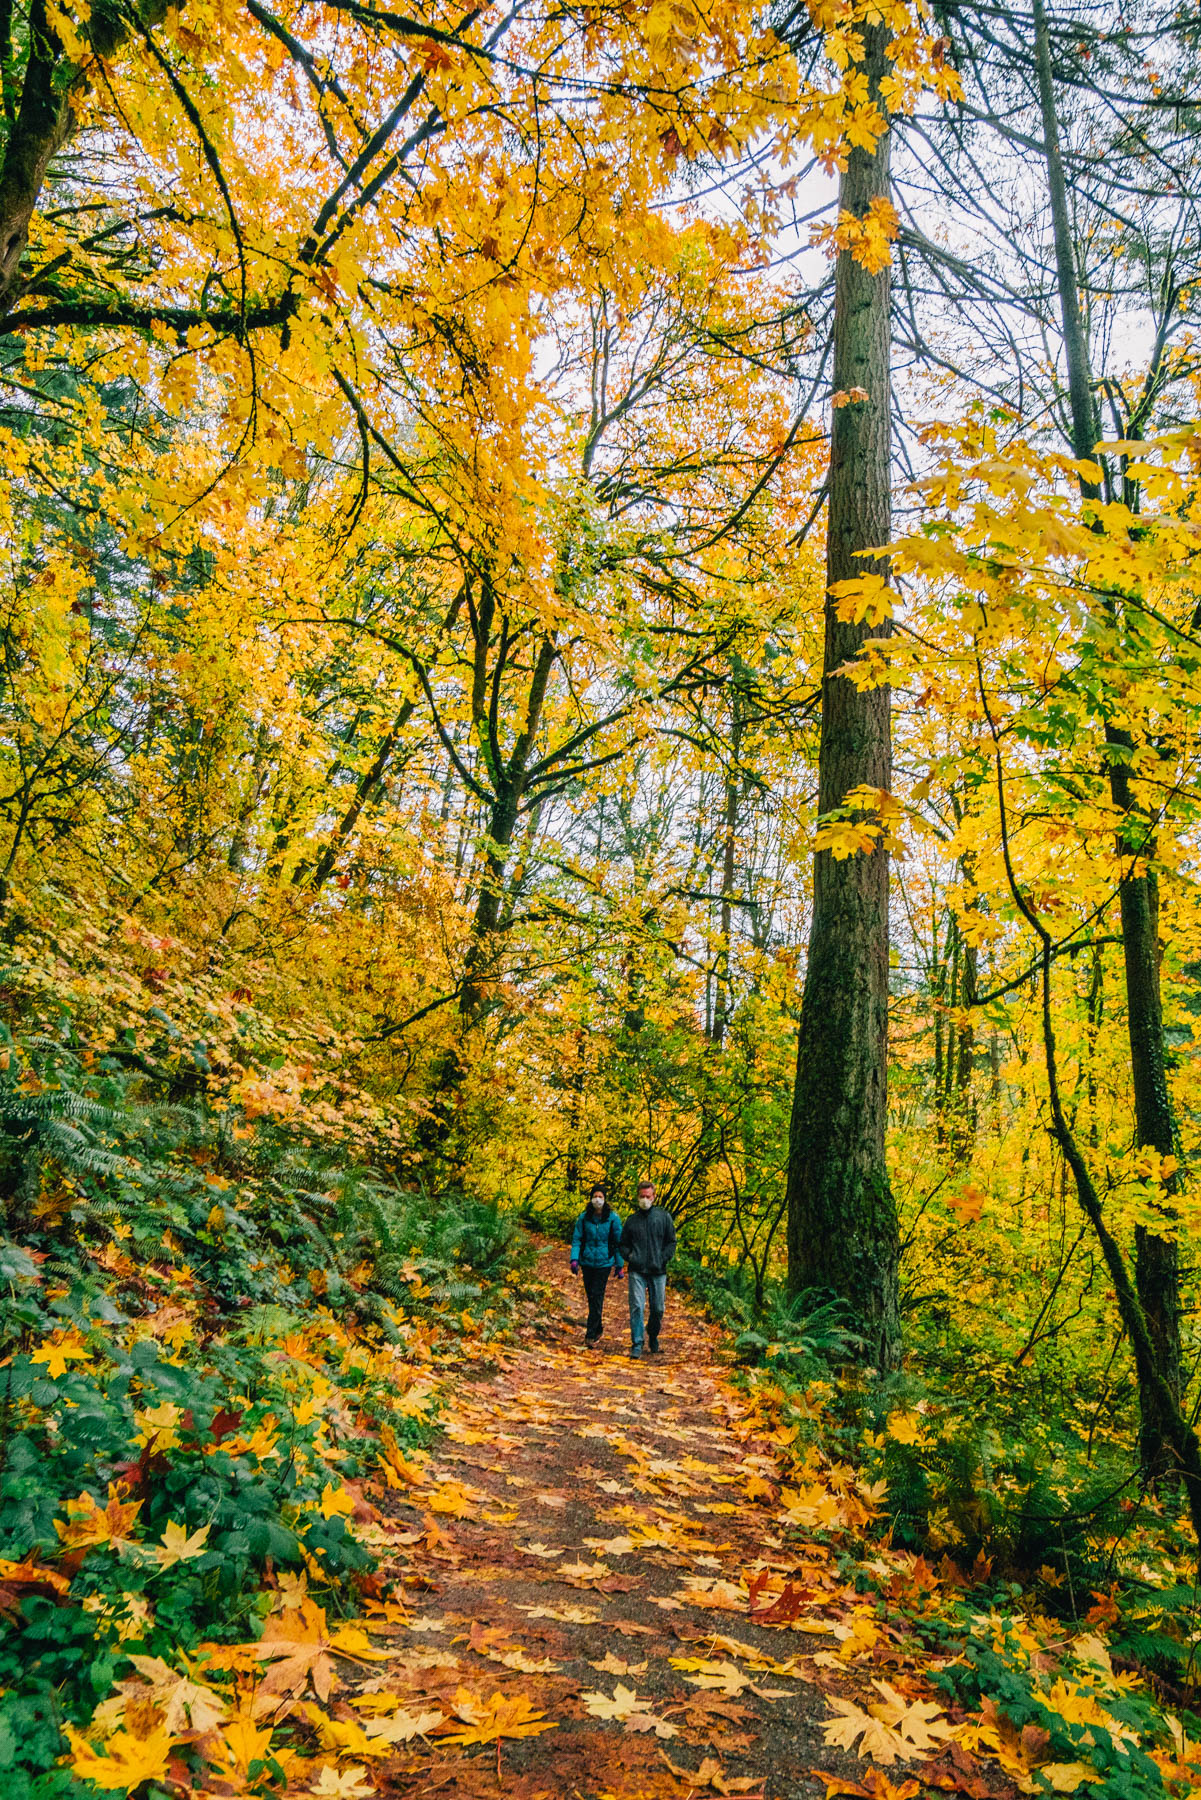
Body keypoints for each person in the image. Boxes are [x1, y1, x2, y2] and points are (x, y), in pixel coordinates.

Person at [618, 1178, 676, 1359]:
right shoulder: (632, 1220)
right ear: (638, 1197)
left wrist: (663, 1258)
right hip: (637, 1270)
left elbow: (671, 1242)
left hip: (658, 1271)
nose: (645, 1199)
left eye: (648, 1196)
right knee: (636, 1306)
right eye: (642, 1196)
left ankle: (653, 1335)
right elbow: (623, 1244)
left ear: (654, 1197)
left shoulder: (663, 1217)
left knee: (658, 1308)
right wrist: (630, 1257)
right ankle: (637, 1343)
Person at [570, 1184, 624, 1347]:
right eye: (595, 1196)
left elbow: (618, 1243)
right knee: (591, 1296)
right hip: (587, 1262)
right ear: (591, 1198)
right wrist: (574, 1259)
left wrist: (619, 1264)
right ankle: (598, 1326)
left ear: (605, 1199)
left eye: (600, 1197)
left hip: (604, 1263)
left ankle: (590, 1334)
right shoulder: (584, 1218)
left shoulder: (613, 1218)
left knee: (597, 1295)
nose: (597, 1199)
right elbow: (577, 1239)